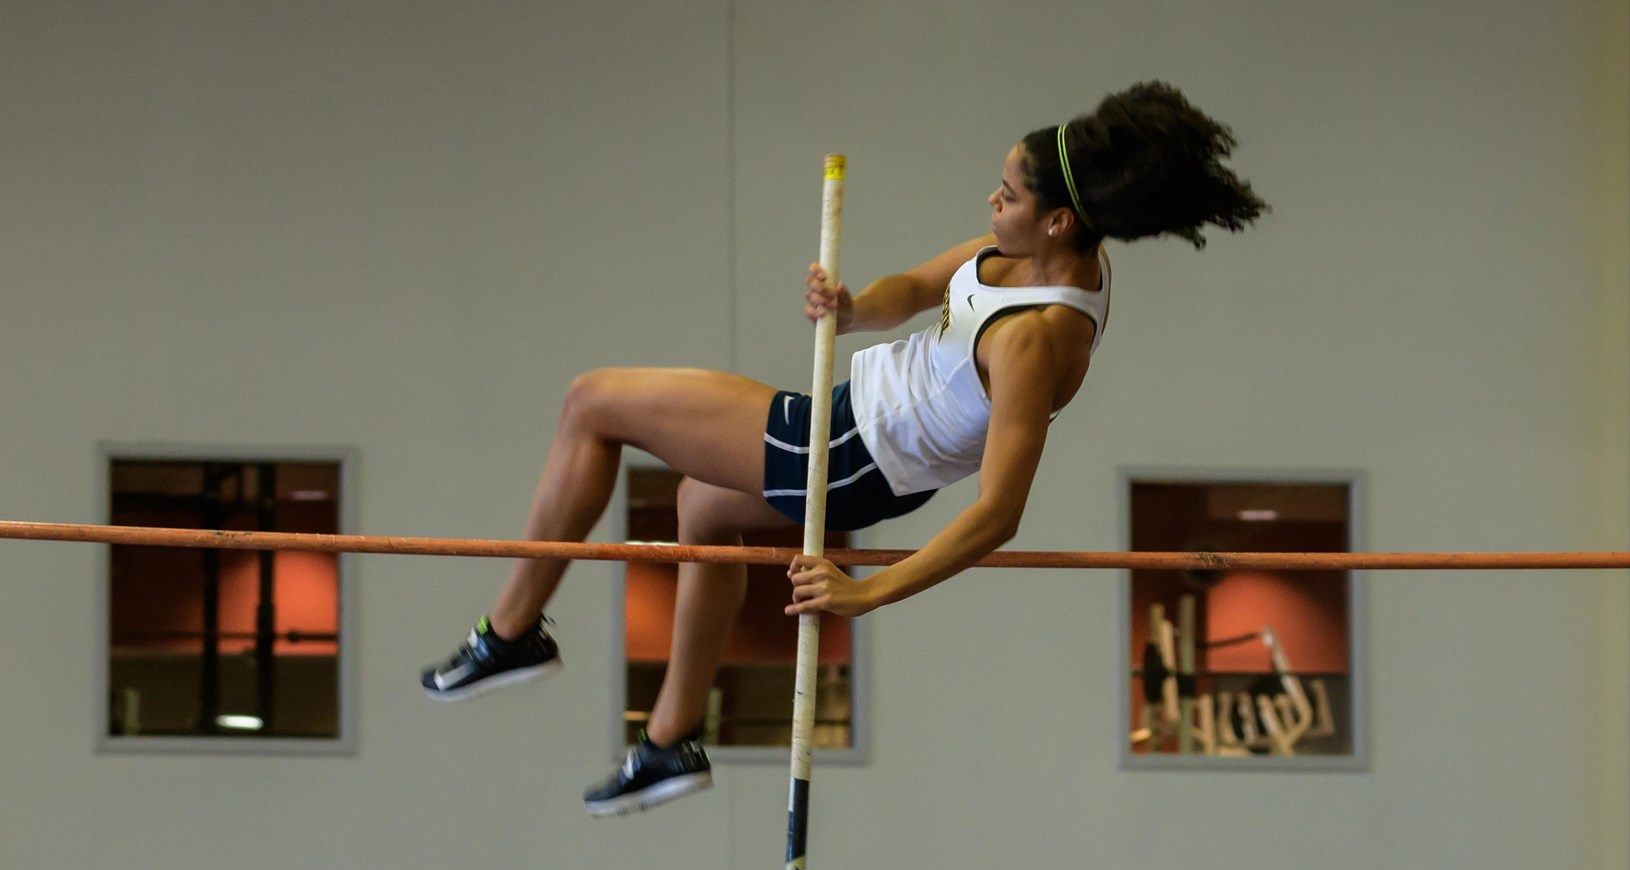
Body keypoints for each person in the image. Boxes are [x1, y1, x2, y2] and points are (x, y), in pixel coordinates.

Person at [421, 80, 1268, 815]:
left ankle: (510, 633)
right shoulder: (1028, 253)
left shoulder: (1035, 341)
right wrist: (855, 305)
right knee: (699, 510)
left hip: (849, 454)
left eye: (1007, 196)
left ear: (1055, 220)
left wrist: (867, 593)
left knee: (591, 402)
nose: (990, 203)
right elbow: (919, 287)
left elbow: (1000, 515)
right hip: (851, 425)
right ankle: (669, 743)